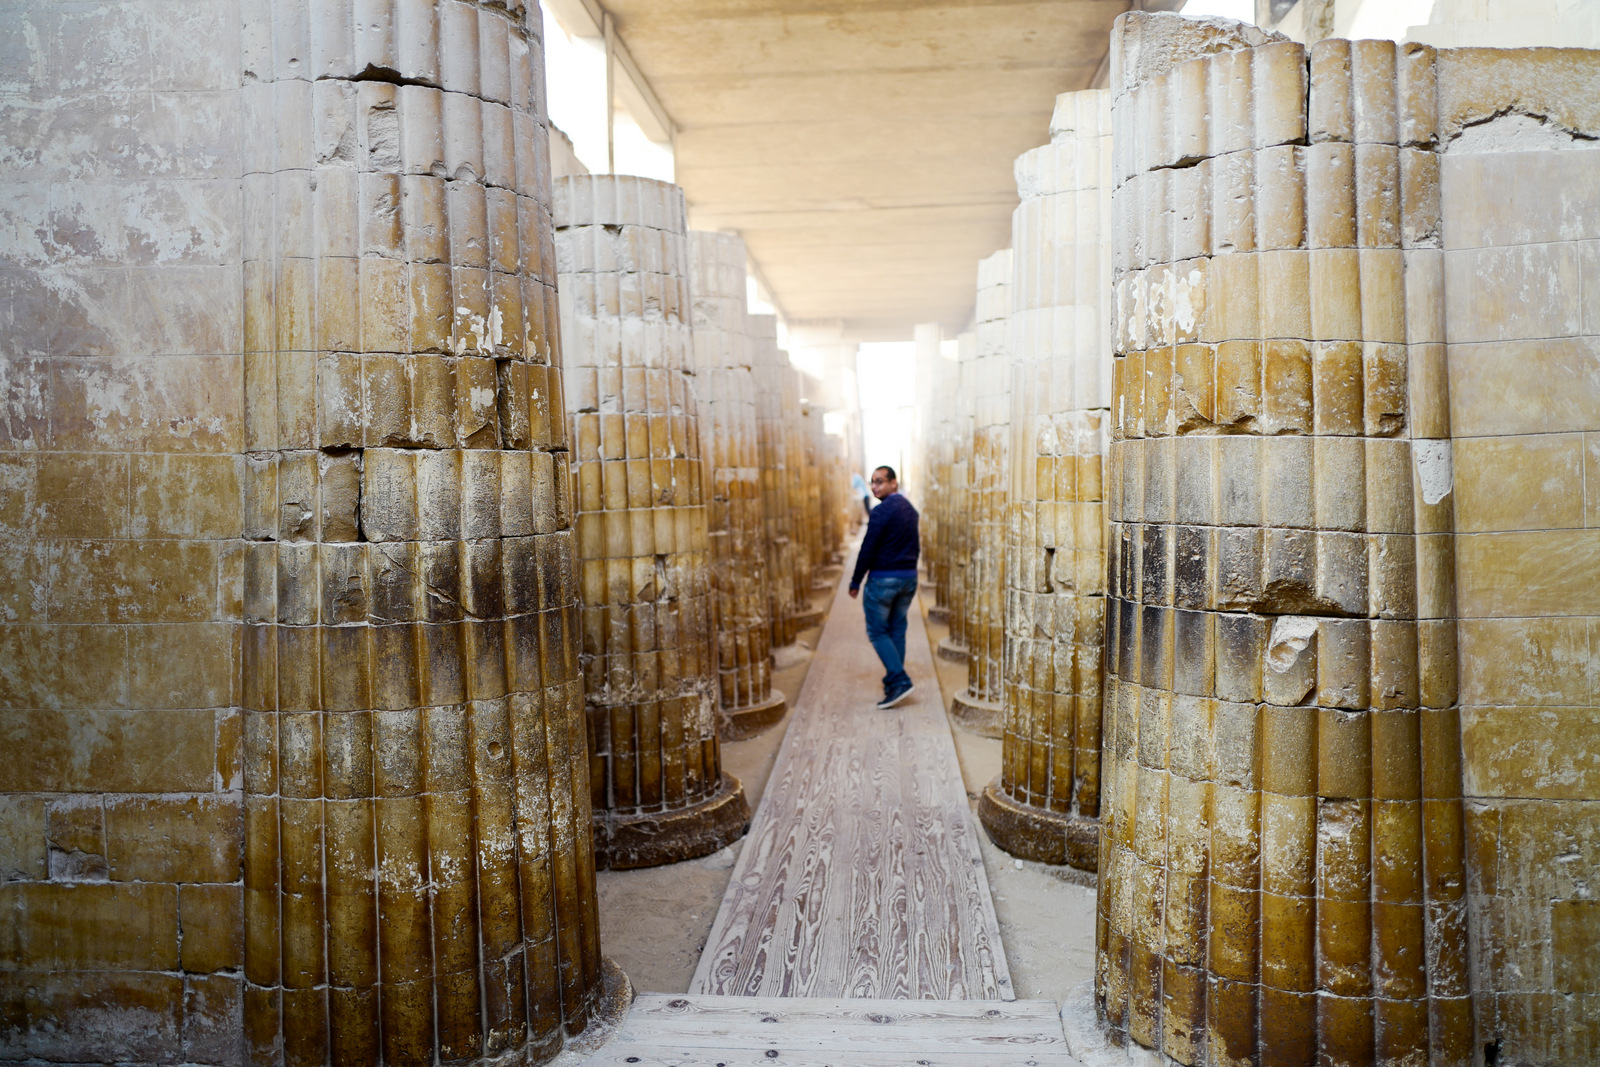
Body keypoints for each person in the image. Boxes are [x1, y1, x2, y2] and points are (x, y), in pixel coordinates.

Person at [848, 465, 920, 708]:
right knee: (897, 630)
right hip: (908, 579)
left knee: (878, 632)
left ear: (893, 483)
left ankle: (899, 680)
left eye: (880, 482)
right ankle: (893, 679)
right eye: (872, 483)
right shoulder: (910, 509)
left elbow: (867, 548)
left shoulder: (881, 512)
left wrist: (856, 580)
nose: (875, 487)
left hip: (884, 580)